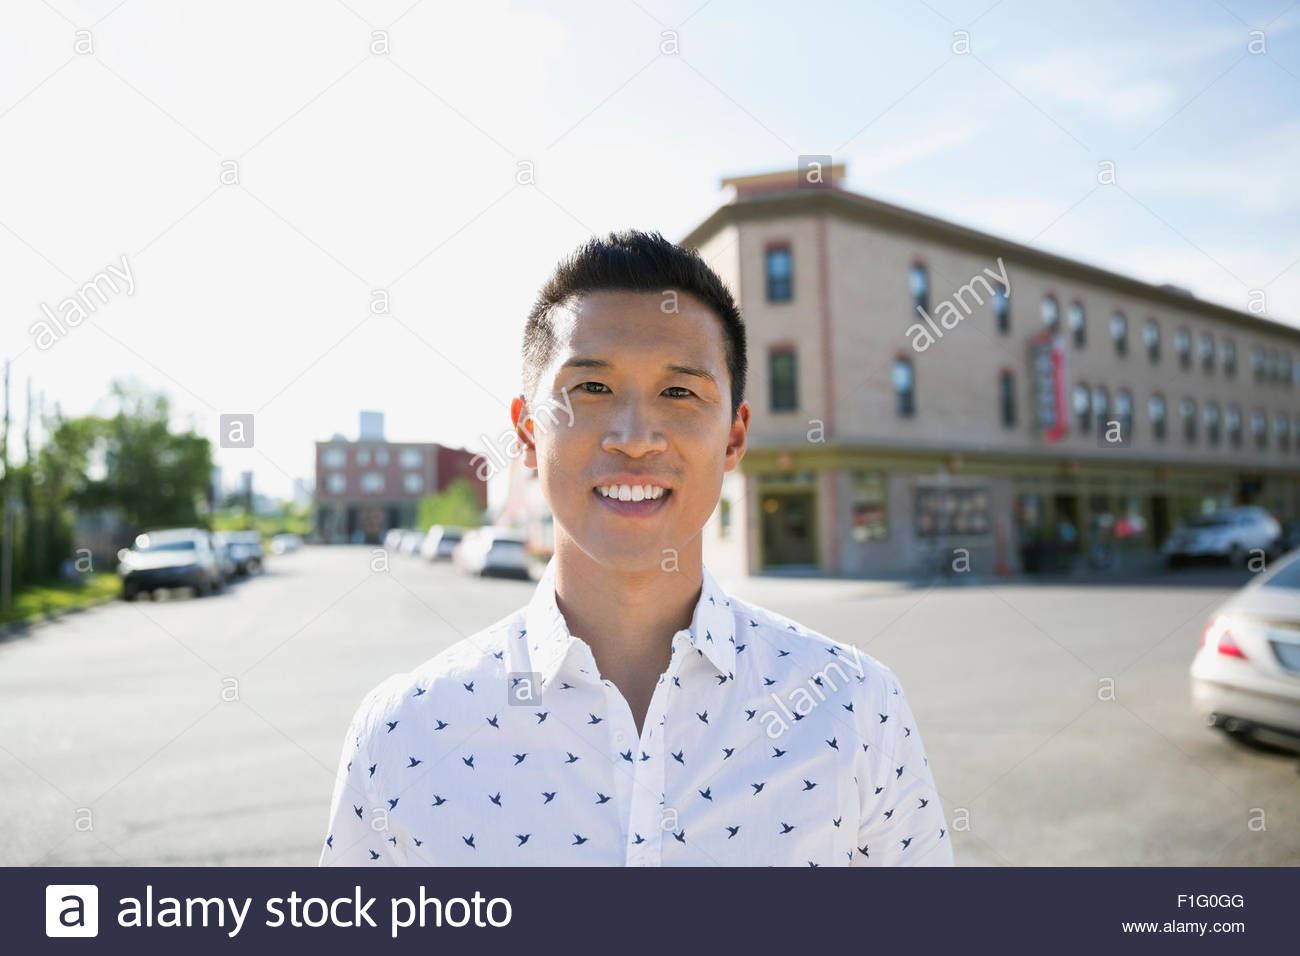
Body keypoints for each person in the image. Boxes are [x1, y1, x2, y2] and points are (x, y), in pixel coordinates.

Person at [318, 230, 954, 867]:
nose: (635, 438)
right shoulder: (405, 734)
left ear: (734, 439)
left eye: (679, 392)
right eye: (591, 390)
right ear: (528, 434)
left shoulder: (855, 708)